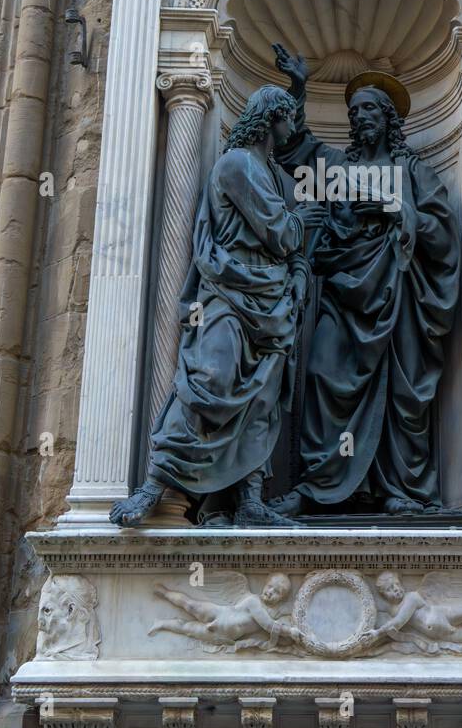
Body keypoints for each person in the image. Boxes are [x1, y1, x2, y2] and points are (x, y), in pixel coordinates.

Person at [109, 86, 312, 528]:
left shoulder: (273, 173)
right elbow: (282, 232)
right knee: (209, 380)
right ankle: (155, 485)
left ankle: (250, 501)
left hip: (272, 300)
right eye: (289, 115)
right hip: (229, 291)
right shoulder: (238, 164)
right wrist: (302, 222)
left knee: (261, 400)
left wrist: (296, 275)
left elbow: (291, 251)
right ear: (271, 118)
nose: (294, 124)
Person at [270, 44, 460, 517]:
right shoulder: (340, 169)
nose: (361, 117)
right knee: (320, 375)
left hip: (396, 295)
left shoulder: (413, 172)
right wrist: (298, 88)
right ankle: (319, 485)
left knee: (400, 392)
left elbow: (442, 234)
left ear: (390, 118)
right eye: (355, 111)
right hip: (342, 292)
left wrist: (398, 210)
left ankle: (399, 488)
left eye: (371, 109)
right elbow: (293, 150)